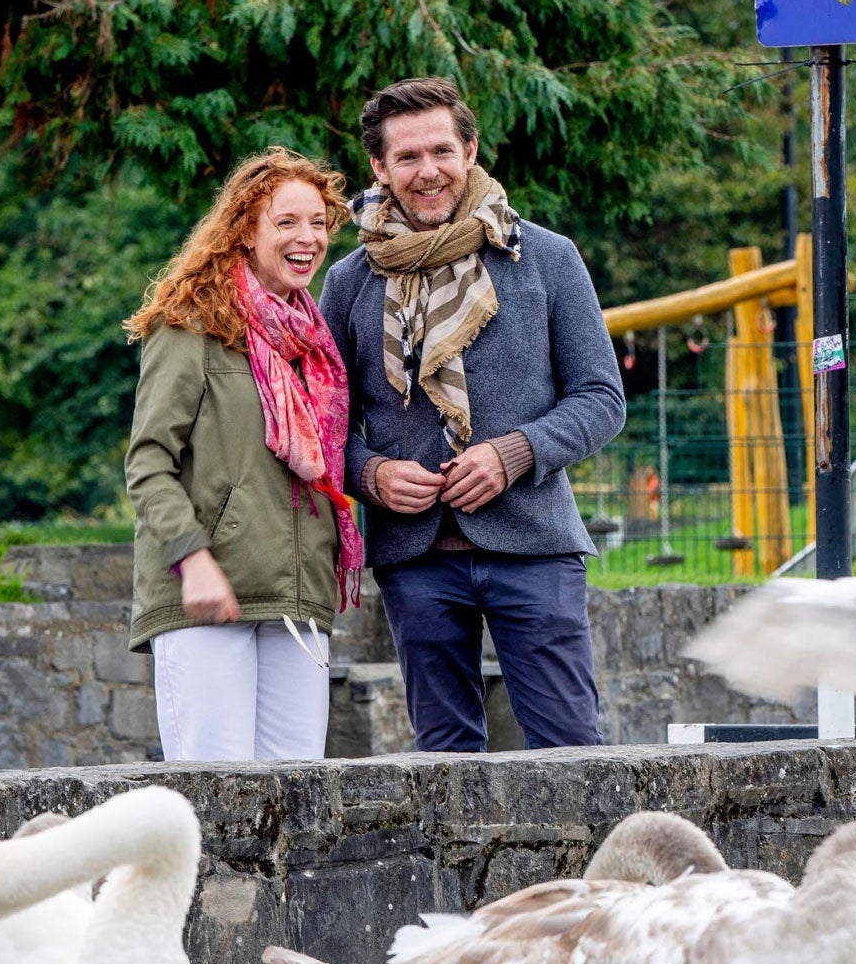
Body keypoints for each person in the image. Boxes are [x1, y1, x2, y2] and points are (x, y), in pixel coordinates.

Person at [321, 76, 625, 751]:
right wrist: (370, 476)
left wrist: (512, 453)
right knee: (444, 762)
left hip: (536, 545)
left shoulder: (547, 257)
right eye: (407, 157)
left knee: (570, 750)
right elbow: (322, 424)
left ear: (470, 150)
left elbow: (602, 398)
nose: (427, 171)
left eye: (440, 151)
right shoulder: (347, 282)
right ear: (380, 167)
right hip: (414, 553)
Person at [123, 149, 362, 762]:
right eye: (286, 222)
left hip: (296, 601)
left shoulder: (315, 342)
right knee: (215, 803)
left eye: (318, 222)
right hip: (206, 597)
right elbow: (148, 463)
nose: (307, 237)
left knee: (295, 806)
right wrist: (193, 559)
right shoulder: (190, 325)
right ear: (245, 232)